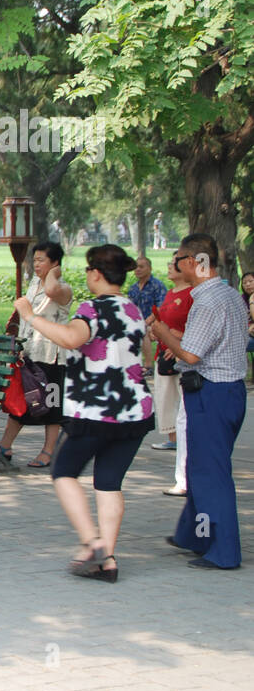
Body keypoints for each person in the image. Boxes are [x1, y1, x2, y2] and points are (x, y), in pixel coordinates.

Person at [16, 244, 153, 583]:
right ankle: (107, 559)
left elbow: (71, 339)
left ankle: (92, 543)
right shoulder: (133, 309)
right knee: (108, 484)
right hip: (134, 411)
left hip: (95, 409)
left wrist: (31, 316)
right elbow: (146, 353)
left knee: (63, 471)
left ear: (95, 273)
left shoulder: (92, 308)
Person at [151, 234, 247, 570]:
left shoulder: (206, 301)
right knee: (200, 467)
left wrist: (163, 335)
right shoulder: (230, 295)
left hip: (211, 393)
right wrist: (172, 335)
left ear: (195, 262)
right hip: (228, 390)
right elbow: (207, 342)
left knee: (209, 473)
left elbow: (191, 355)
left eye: (178, 259)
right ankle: (194, 534)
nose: (175, 266)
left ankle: (223, 552)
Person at [0, 241, 72, 468]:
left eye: (42, 260)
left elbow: (52, 291)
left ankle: (48, 451)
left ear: (55, 263)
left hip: (52, 354)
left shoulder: (63, 288)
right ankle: (4, 445)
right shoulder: (34, 284)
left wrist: (55, 273)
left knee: (51, 404)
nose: (36, 264)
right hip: (30, 351)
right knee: (22, 398)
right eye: (35, 259)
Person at [149, 254, 193, 497]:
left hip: (183, 357)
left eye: (172, 264)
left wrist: (176, 338)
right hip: (164, 352)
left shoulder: (194, 294)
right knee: (166, 402)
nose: (169, 268)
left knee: (185, 411)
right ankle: (173, 439)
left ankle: (185, 476)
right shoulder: (169, 293)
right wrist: (159, 333)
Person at [128, 256, 167, 362]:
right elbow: (130, 308)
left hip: (155, 322)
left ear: (150, 268)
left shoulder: (157, 285)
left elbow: (161, 307)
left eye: (141, 267)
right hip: (137, 322)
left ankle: (148, 365)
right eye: (136, 267)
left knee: (144, 330)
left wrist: (147, 321)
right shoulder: (133, 288)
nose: (138, 269)